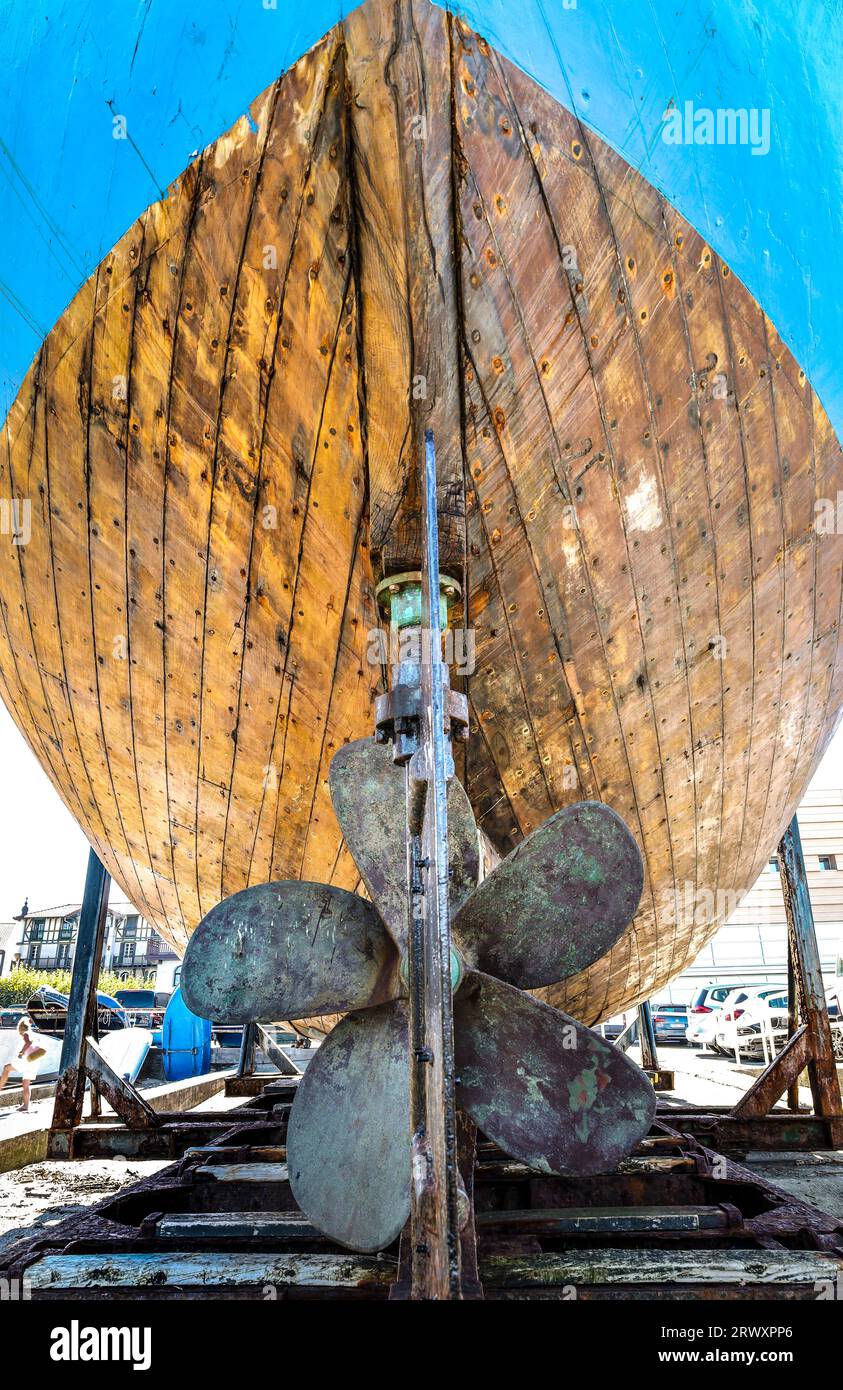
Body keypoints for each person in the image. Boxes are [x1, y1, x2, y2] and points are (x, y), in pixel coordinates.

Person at [0, 1015, 43, 1111]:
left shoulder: (26, 1034)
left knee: (6, 1068)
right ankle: (26, 1106)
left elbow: (28, 1043)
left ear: (21, 1027)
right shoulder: (34, 1034)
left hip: (26, 1061)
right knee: (26, 1084)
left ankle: (0, 1087)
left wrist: (21, 1053)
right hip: (34, 1062)